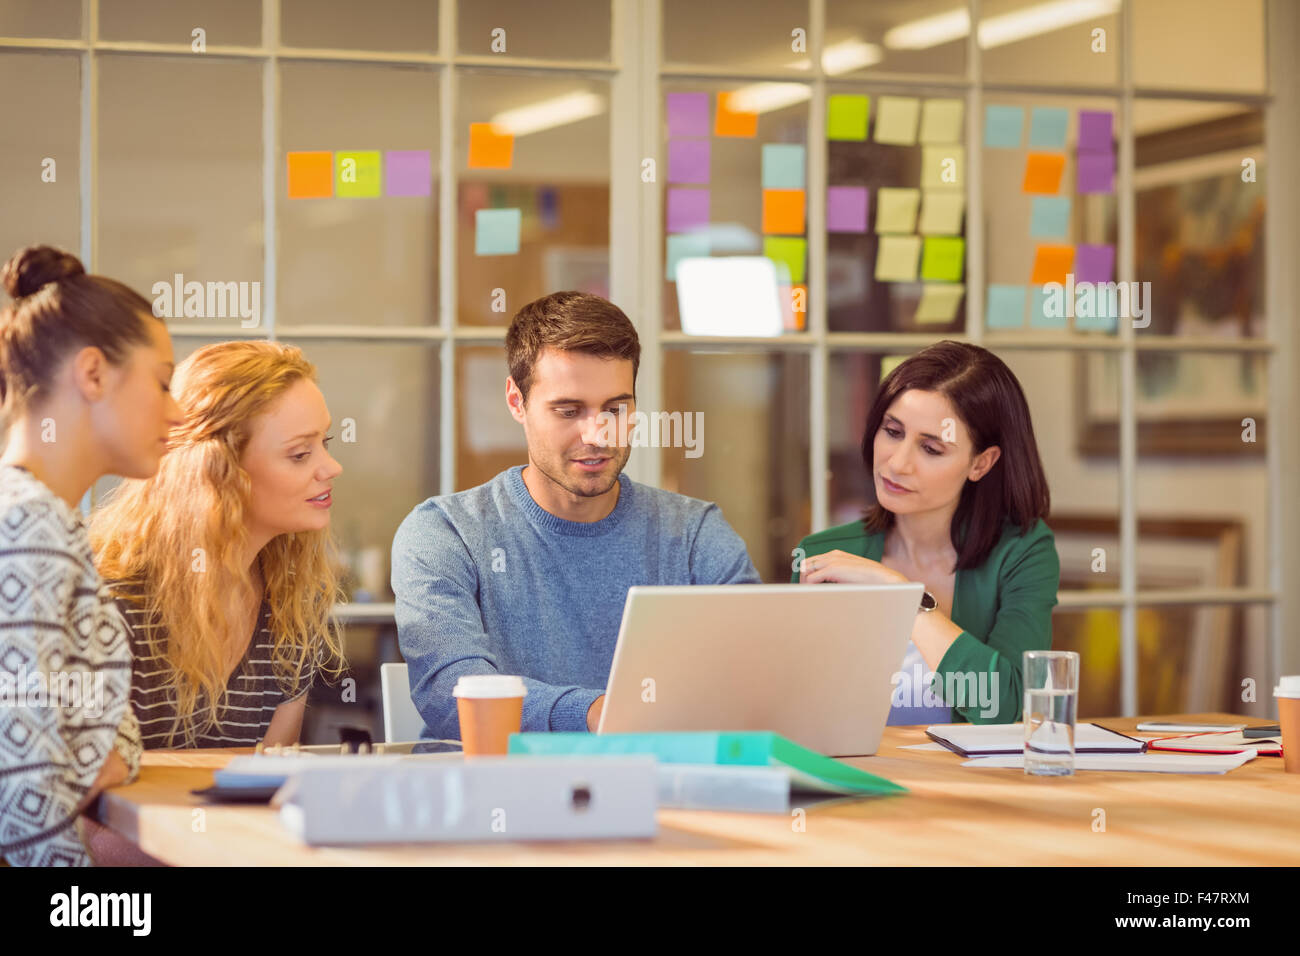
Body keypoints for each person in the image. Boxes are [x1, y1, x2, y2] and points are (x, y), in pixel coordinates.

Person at [393, 291, 759, 741]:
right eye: (568, 411)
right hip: (496, 797)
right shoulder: (445, 533)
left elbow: (754, 676)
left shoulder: (695, 534)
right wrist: (600, 713)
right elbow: (453, 693)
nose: (597, 434)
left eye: (615, 409)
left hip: (658, 797)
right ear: (516, 401)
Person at [0, 245, 181, 865]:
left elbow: (107, 740)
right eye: (162, 382)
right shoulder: (28, 523)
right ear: (94, 374)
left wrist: (100, 749)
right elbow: (23, 792)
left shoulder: (43, 518)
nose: (177, 409)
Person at [90, 341, 345, 748]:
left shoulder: (295, 603)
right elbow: (87, 791)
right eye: (300, 454)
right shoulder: (110, 604)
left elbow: (265, 783)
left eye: (325, 443)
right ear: (217, 473)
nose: (332, 467)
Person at [793, 341, 1058, 725]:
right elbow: (795, 713)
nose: (897, 463)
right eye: (892, 431)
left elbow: (1004, 706)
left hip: (970, 785)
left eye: (931, 448)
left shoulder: (1022, 552)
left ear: (982, 463)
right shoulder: (822, 555)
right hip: (858, 780)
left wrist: (903, 596)